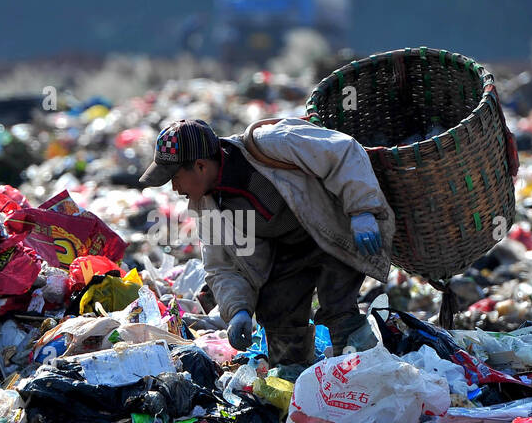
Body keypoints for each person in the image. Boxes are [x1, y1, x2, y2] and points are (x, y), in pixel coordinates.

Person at [138, 118, 395, 365]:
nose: (174, 188)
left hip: (330, 234)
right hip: (286, 255)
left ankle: (365, 373)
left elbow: (343, 152)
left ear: (201, 166)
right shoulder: (209, 207)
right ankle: (295, 383)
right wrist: (238, 310)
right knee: (278, 321)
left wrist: (362, 209)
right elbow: (222, 268)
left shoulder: (272, 144)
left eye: (175, 177)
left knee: (338, 310)